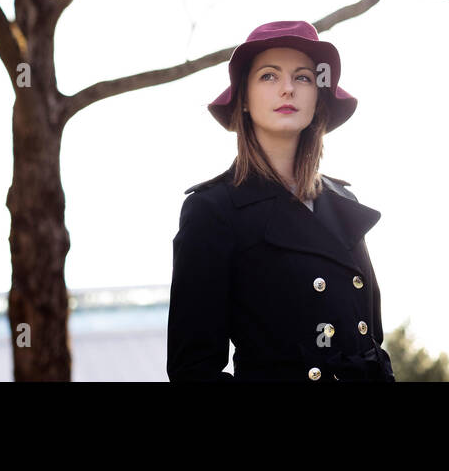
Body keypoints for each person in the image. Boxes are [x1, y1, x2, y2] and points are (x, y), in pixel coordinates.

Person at [167, 20, 395, 382]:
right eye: (269, 77)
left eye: (303, 77)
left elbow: (370, 341)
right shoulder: (214, 209)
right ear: (243, 99)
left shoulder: (343, 202)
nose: (287, 89)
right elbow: (193, 370)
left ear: (319, 97)